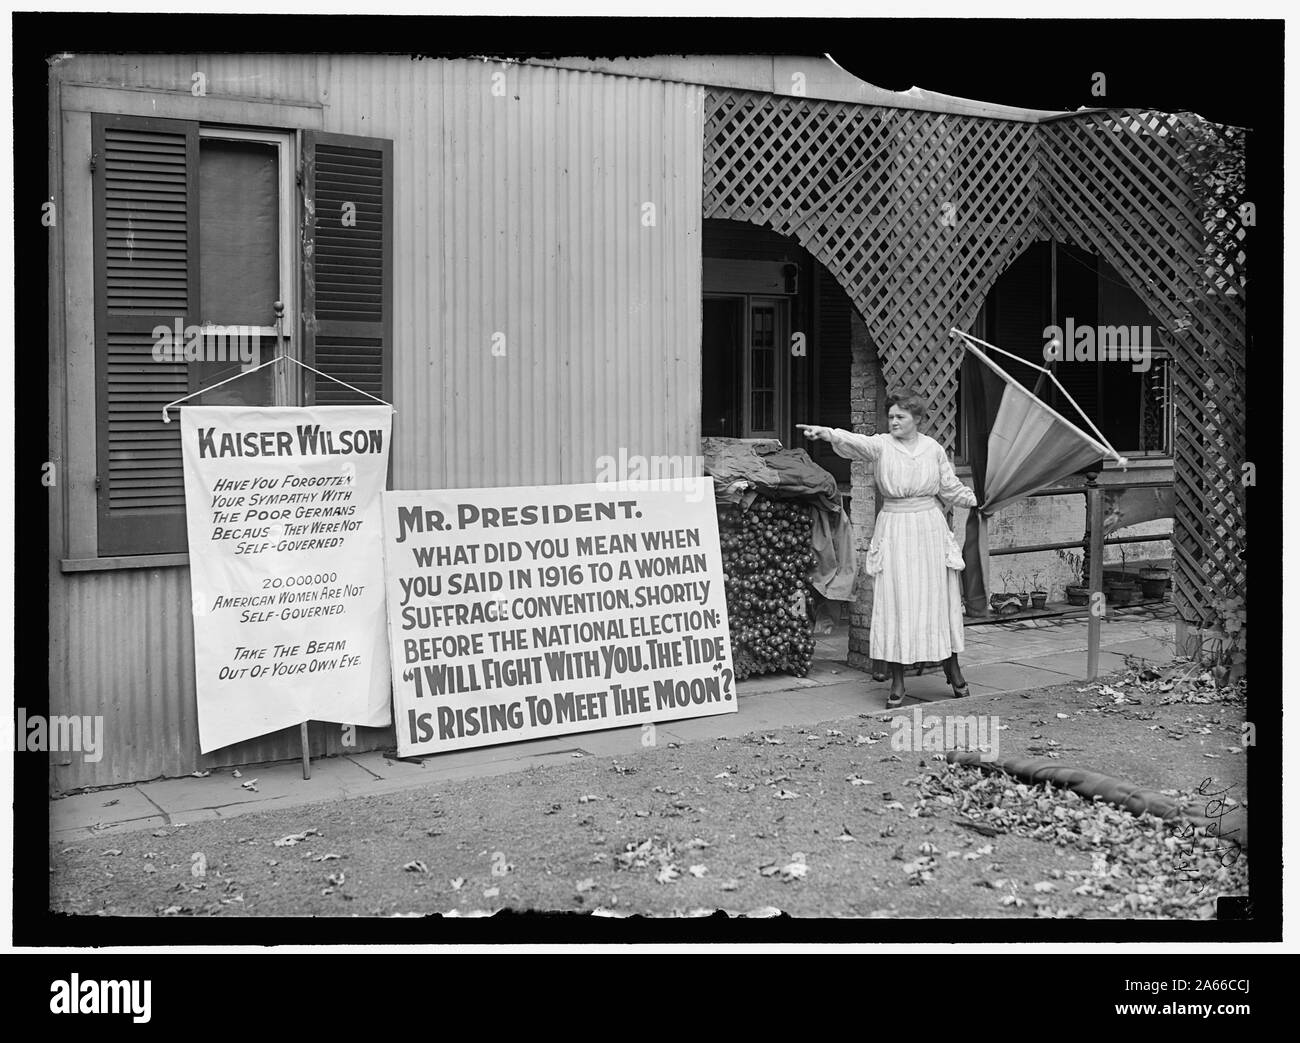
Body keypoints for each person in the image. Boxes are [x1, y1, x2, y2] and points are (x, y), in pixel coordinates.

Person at [798, 388, 977, 708]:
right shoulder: (882, 446)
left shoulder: (933, 449)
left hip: (928, 531)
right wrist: (826, 434)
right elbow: (856, 442)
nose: (893, 421)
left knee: (935, 599)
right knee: (898, 600)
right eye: (891, 416)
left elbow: (950, 488)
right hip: (895, 530)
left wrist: (978, 500)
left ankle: (953, 667)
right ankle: (897, 679)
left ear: (917, 419)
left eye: (900, 417)